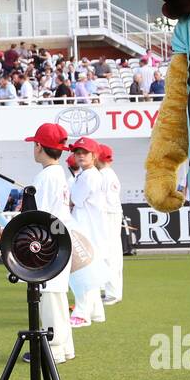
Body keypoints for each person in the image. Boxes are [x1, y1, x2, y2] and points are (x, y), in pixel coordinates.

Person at [26, 123, 75, 364]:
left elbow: (39, 215)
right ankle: (64, 347)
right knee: (57, 295)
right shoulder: (59, 175)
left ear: (39, 146)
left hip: (50, 242)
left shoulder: (45, 177)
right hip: (60, 237)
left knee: (50, 295)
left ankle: (53, 350)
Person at [68, 137, 107, 328]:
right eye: (77, 152)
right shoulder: (87, 175)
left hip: (86, 229)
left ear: (94, 155)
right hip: (89, 228)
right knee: (89, 271)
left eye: (85, 152)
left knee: (82, 272)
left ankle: (82, 314)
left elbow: (75, 198)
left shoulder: (89, 175)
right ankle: (97, 311)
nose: (80, 156)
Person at [95, 143, 125, 307]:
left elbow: (103, 201)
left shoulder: (104, 175)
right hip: (112, 214)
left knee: (109, 255)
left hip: (108, 215)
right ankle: (112, 291)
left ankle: (112, 293)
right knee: (113, 255)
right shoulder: (109, 174)